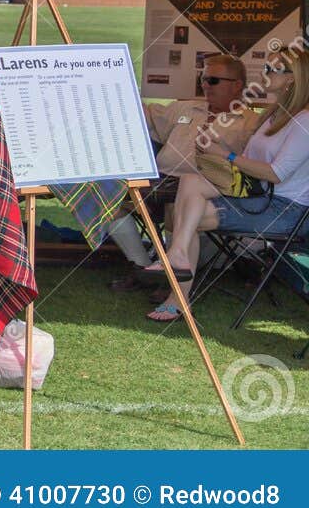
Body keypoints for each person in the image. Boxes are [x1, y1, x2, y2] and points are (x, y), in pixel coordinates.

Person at [147, 49, 309, 321]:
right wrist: (220, 148)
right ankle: (176, 260)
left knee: (186, 215)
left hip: (284, 210)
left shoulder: (304, 121)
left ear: (293, 79)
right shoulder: (273, 114)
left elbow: (276, 174)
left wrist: (228, 156)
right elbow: (254, 165)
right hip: (258, 195)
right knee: (189, 182)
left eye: (272, 69)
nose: (265, 73)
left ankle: (177, 295)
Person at [104, 53, 261, 285]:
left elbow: (250, 170)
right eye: (203, 79)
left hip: (204, 190)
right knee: (107, 200)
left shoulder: (250, 123)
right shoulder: (185, 109)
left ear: (237, 85)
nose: (205, 85)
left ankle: (170, 277)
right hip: (160, 181)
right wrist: (115, 85)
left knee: (175, 203)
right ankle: (144, 267)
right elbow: (143, 115)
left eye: (213, 80)